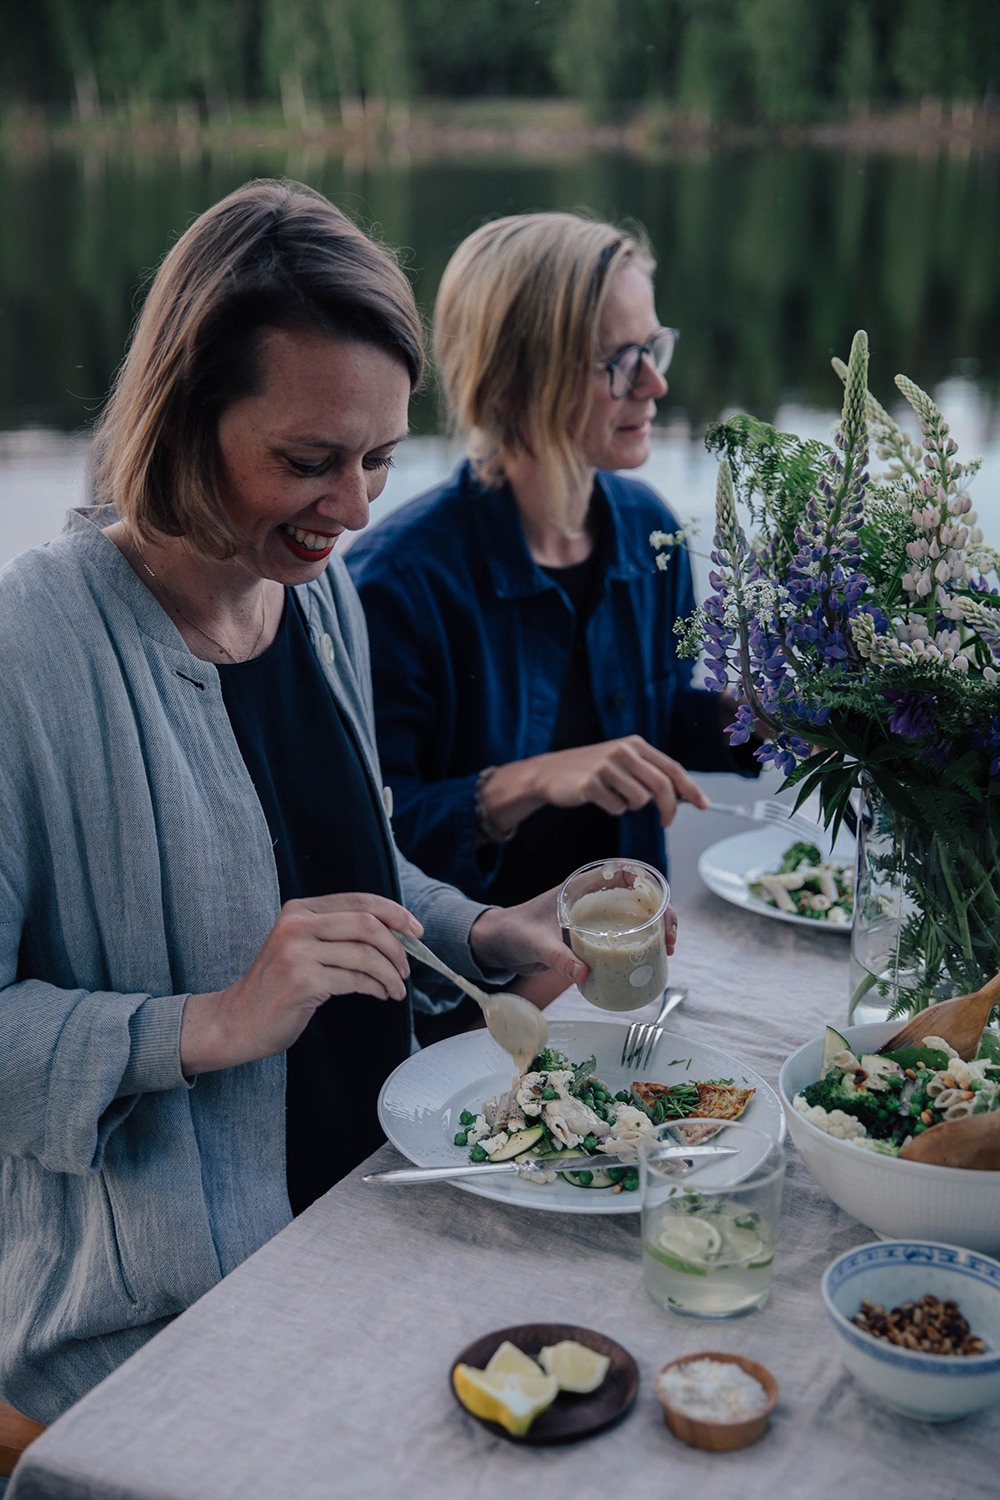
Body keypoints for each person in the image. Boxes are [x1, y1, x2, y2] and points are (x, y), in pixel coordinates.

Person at [0, 181, 597, 1426]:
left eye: (380, 458)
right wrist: (209, 1024)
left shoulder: (319, 594)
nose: (357, 510)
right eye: (308, 461)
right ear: (181, 420)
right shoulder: (29, 649)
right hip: (165, 1315)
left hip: (384, 1198)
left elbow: (358, 867)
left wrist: (484, 934)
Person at [346, 211, 755, 1031]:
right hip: (463, 1012)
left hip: (629, 981)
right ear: (509, 384)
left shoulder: (650, 529)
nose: (653, 386)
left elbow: (656, 720)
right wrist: (530, 780)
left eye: (653, 348)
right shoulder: (393, 581)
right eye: (618, 362)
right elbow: (365, 840)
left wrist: (784, 721)